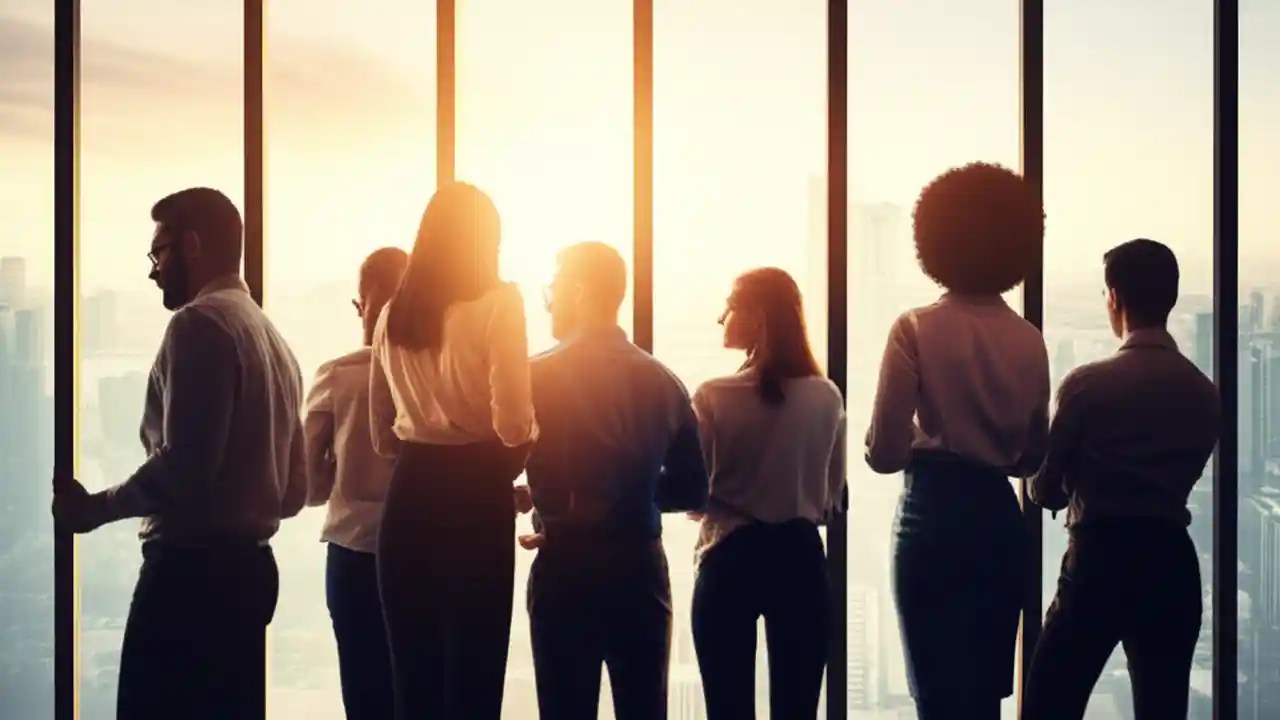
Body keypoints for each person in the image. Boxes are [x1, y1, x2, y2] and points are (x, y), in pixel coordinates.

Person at [51, 187, 306, 720]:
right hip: (252, 575)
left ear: (192, 245)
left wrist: (91, 509)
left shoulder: (198, 325)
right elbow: (293, 495)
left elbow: (185, 469)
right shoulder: (275, 341)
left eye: (159, 252)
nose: (153, 270)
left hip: (192, 580)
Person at [865, 163, 1049, 720]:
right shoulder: (1029, 339)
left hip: (931, 518)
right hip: (998, 521)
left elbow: (884, 455)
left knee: (937, 697)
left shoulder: (915, 327)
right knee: (984, 697)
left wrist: (925, 436)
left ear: (933, 240)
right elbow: (1031, 460)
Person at [1021, 240, 1220, 720]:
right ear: (1171, 297)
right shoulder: (1204, 392)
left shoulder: (1087, 385)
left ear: (1114, 298)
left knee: (1050, 704)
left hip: (1098, 561)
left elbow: (1044, 488)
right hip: (1171, 562)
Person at [368, 182, 538, 719]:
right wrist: (534, 433)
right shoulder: (499, 302)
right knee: (474, 677)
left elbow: (381, 435)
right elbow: (512, 424)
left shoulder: (392, 313)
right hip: (476, 496)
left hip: (409, 497)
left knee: (412, 680)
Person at [518, 241, 708, 719]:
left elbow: (500, 457)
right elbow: (692, 490)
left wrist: (552, 497)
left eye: (554, 288)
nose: (548, 301)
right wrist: (632, 491)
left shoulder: (534, 376)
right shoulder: (664, 382)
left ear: (579, 292)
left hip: (564, 566)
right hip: (637, 569)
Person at [690, 267, 845, 720]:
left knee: (727, 707)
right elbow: (830, 500)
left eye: (731, 305)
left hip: (730, 558)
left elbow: (695, 498)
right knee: (798, 709)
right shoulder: (827, 397)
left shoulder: (714, 396)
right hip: (799, 559)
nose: (722, 317)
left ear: (757, 315)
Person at [303, 247, 408, 720]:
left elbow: (308, 488)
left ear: (359, 305)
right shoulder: (427, 379)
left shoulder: (335, 375)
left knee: (365, 697)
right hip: (418, 555)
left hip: (351, 555)